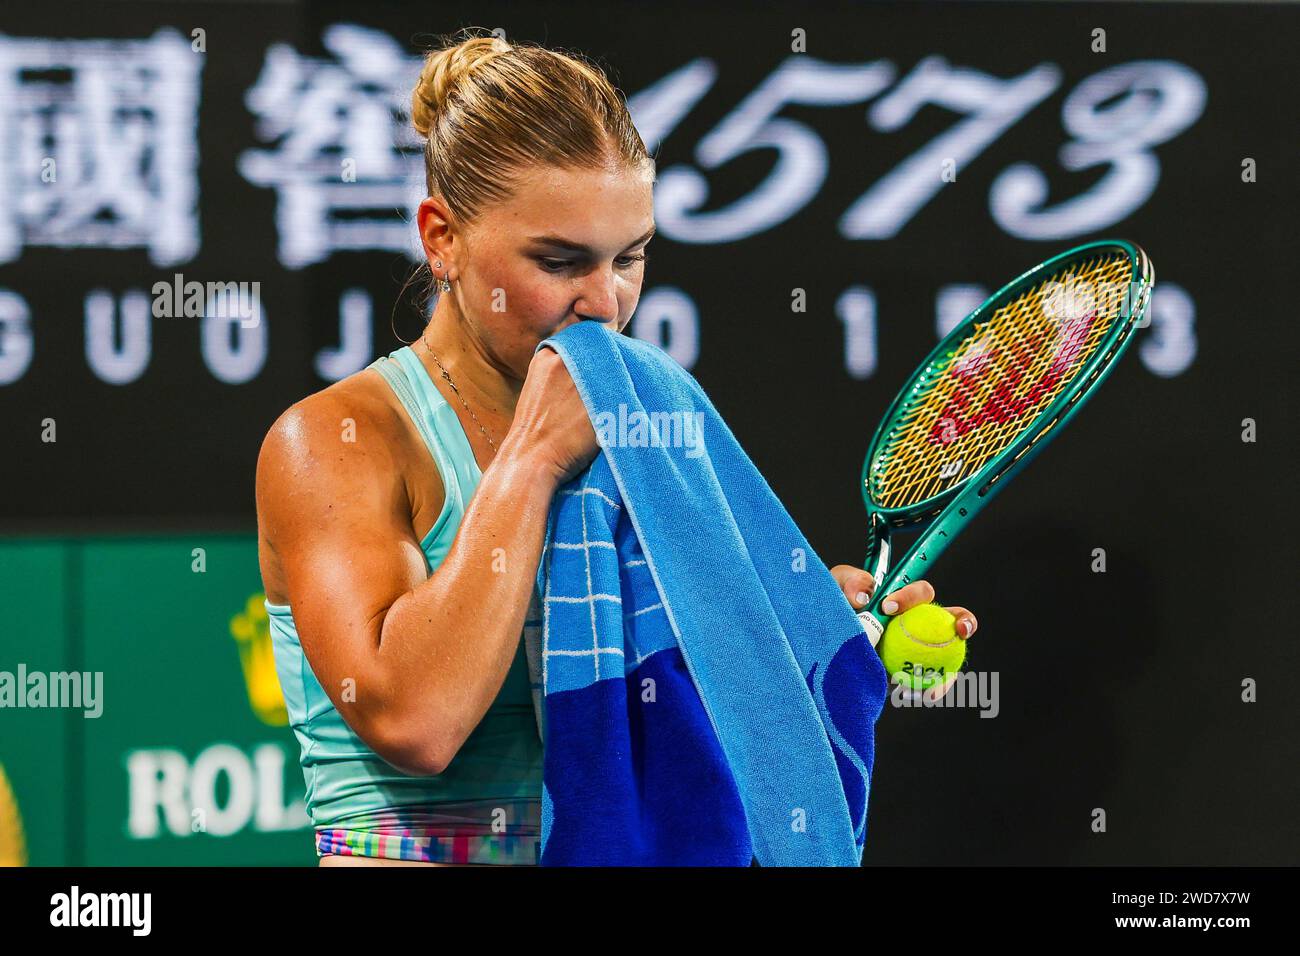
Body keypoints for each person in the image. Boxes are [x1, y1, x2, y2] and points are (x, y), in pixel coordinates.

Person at [255, 29, 977, 867]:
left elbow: (702, 721)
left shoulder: (647, 431)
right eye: (560, 262)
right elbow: (416, 722)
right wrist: (530, 460)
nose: (605, 303)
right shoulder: (332, 441)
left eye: (630, 257)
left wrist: (814, 637)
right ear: (442, 237)